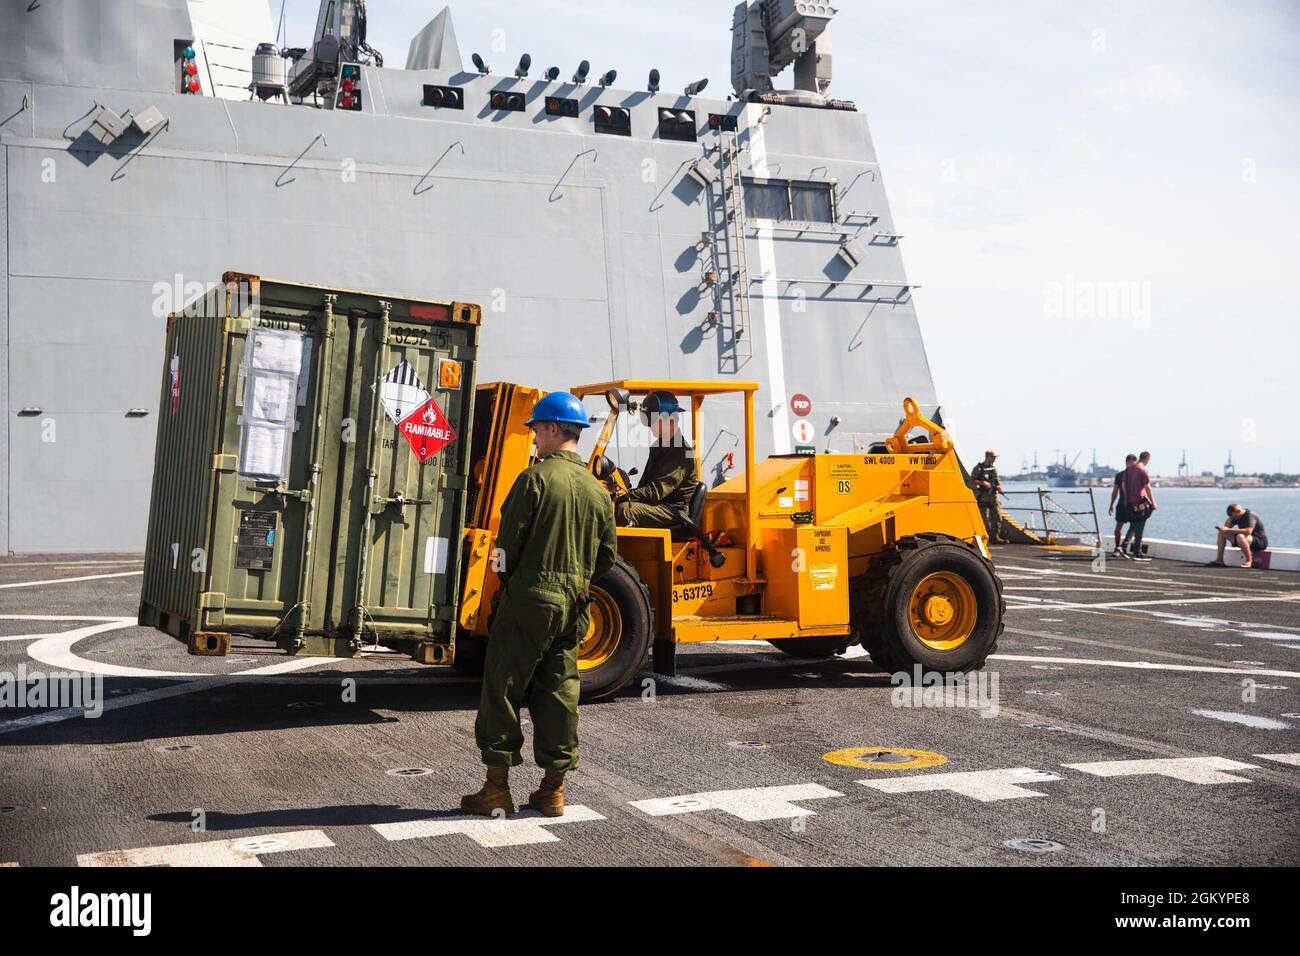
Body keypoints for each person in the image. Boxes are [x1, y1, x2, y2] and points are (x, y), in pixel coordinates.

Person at [461, 391, 618, 819]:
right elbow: (606, 556)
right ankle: (552, 791)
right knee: (560, 690)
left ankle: (496, 789)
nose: (534, 439)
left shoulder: (534, 479)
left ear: (551, 429)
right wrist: (575, 579)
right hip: (575, 602)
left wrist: (509, 585)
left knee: (503, 686)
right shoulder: (597, 490)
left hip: (531, 597)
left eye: (536, 430)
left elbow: (506, 547)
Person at [614, 390, 703, 530]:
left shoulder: (680, 451)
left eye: (654, 421)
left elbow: (656, 492)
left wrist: (624, 496)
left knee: (625, 510)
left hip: (673, 510)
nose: (650, 426)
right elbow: (645, 484)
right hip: (659, 505)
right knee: (617, 506)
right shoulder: (659, 446)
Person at [1120, 451, 1156, 561]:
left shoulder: (1128, 470)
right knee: (1140, 527)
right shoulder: (1143, 470)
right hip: (1140, 502)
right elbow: (1148, 488)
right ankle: (1137, 552)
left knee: (1133, 525)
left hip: (1130, 503)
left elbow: (1124, 486)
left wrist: (1126, 500)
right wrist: (1153, 502)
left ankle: (1124, 546)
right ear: (1146, 459)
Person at [1209, 504, 1269, 569]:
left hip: (1259, 542)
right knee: (1222, 533)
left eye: (1233, 516)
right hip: (1245, 540)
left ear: (1238, 511)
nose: (1233, 518)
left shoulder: (1250, 515)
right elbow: (1227, 527)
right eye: (1231, 516)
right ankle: (1219, 560)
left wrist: (1228, 530)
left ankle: (1249, 561)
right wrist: (1226, 526)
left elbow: (1248, 531)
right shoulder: (1237, 515)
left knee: (1240, 536)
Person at [970, 450, 1007, 543]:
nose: (994, 459)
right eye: (992, 457)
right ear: (987, 457)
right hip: (983, 498)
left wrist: (999, 487)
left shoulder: (993, 469)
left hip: (993, 497)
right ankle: (984, 539)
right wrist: (982, 483)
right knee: (984, 520)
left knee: (998, 518)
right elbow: (971, 481)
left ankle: (995, 537)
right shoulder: (978, 469)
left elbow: (997, 481)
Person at [1108, 454, 1138, 558]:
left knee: (1135, 526)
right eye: (1130, 463)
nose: (1132, 466)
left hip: (1133, 505)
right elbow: (1115, 491)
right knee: (1118, 527)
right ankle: (1117, 548)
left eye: (1134, 464)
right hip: (1121, 505)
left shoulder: (1137, 475)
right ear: (1126, 462)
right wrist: (1111, 504)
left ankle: (1124, 546)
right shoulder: (1120, 475)